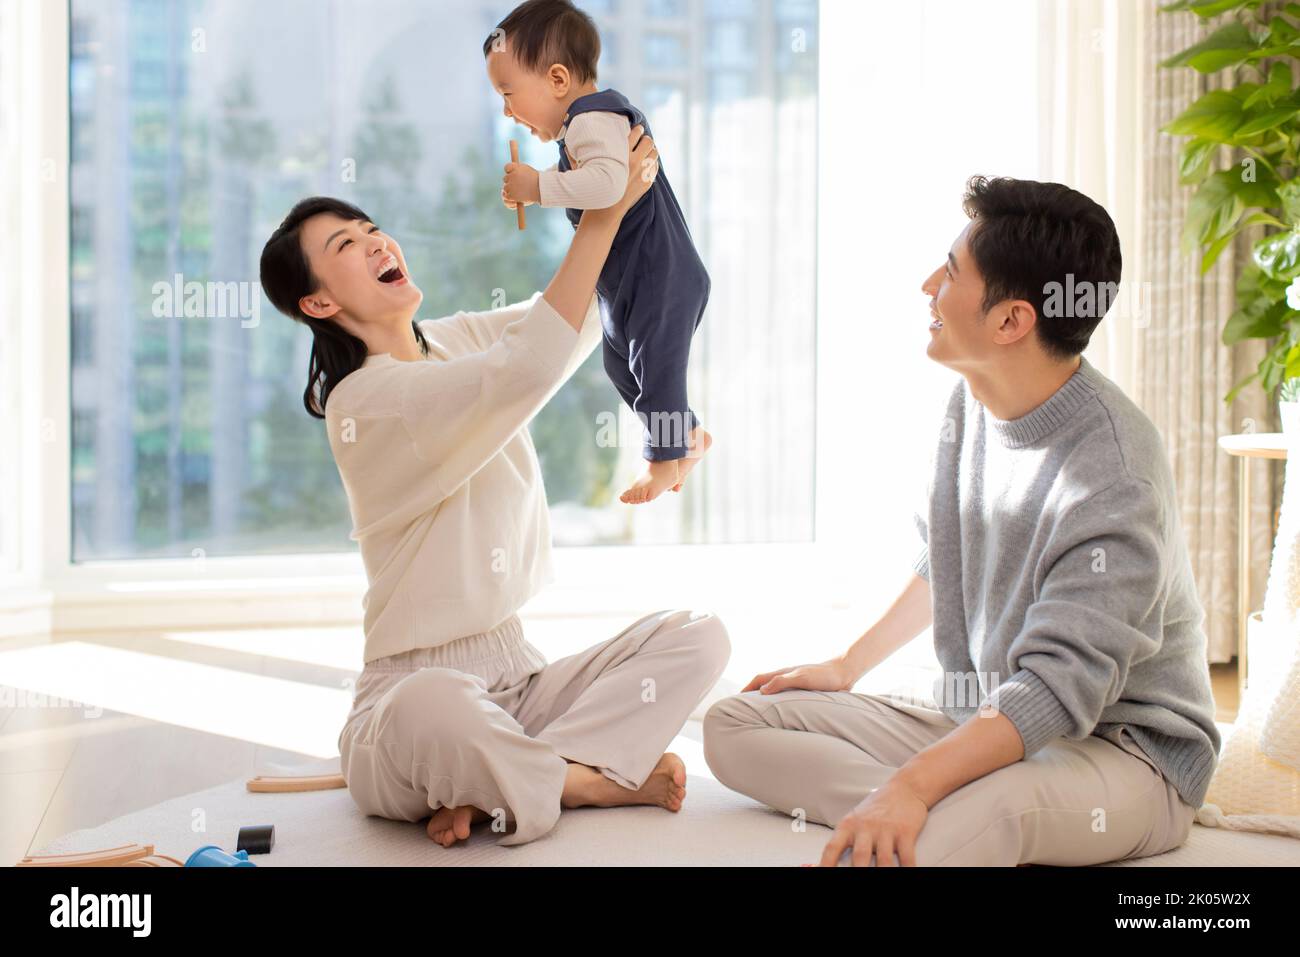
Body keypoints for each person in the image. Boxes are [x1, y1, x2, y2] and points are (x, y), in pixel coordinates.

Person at [702, 176, 1221, 867]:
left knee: (972, 818)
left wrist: (919, 782)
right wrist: (846, 665)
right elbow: (944, 562)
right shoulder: (971, 403)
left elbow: (1054, 689)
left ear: (1010, 321)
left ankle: (931, 808)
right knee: (734, 725)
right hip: (985, 721)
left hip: (1121, 753)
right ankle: (917, 807)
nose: (927, 286)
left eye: (950, 271)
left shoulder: (1114, 473)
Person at [258, 127, 730, 848]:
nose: (378, 243)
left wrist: (621, 193)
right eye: (347, 247)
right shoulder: (365, 401)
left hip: (519, 683)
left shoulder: (455, 340)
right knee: (435, 706)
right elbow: (526, 368)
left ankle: (495, 785)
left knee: (699, 638)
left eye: (373, 229)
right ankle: (583, 780)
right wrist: (603, 217)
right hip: (407, 700)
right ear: (318, 304)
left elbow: (573, 323)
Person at [485, 0, 713, 504]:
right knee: (620, 365)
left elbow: (610, 185)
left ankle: (662, 460)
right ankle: (687, 436)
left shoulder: (594, 120)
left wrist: (538, 186)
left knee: (655, 369)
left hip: (660, 276)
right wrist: (536, 185)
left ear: (559, 79)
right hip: (632, 280)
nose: (506, 111)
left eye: (508, 93)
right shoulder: (583, 129)